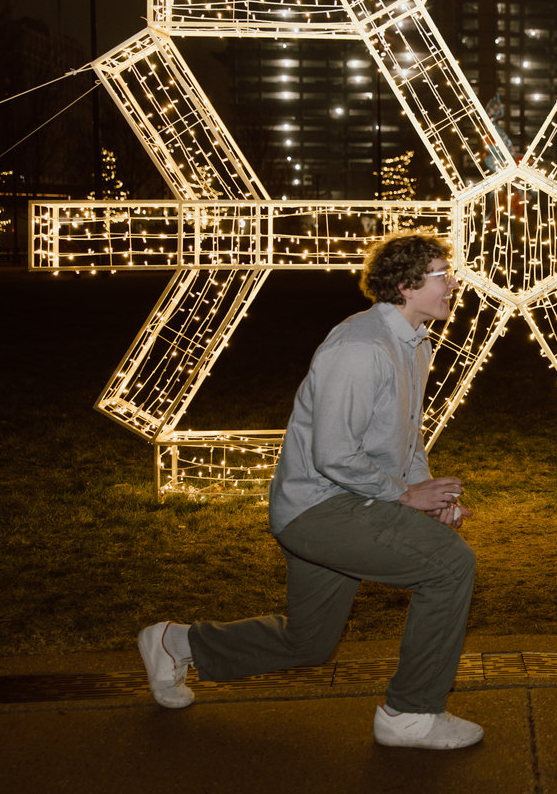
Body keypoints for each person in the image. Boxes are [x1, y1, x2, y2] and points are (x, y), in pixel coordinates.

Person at [138, 229, 484, 750]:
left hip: (354, 499)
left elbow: (406, 437)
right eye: (441, 274)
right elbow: (334, 454)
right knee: (451, 565)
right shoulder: (360, 347)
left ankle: (176, 642)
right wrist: (406, 497)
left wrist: (427, 497)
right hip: (320, 508)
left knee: (309, 641)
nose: (452, 283)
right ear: (407, 286)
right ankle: (410, 713)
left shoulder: (415, 343)